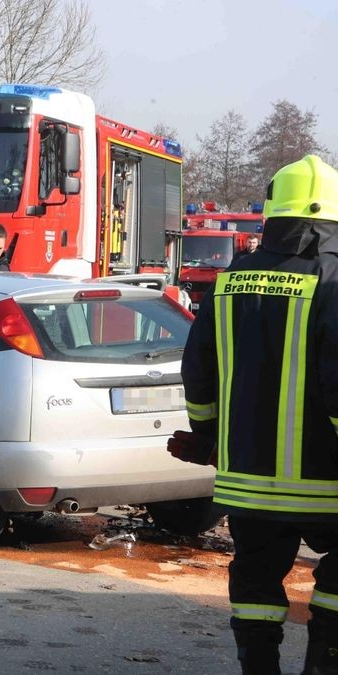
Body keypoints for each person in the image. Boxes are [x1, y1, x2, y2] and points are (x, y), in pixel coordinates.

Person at [173, 155, 338, 675]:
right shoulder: (332, 278)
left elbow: (198, 372)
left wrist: (207, 435)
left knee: (255, 585)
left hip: (245, 480)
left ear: (273, 213)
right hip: (325, 483)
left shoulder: (229, 279)